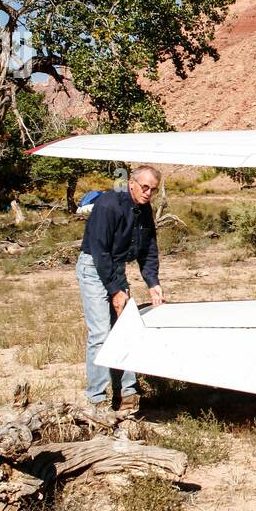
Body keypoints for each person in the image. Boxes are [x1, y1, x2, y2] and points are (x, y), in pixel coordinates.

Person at [75, 165, 165, 412]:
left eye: (153, 190)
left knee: (125, 329)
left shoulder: (144, 210)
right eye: (144, 187)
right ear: (132, 183)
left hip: (116, 268)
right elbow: (101, 251)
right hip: (94, 267)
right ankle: (97, 398)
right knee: (101, 333)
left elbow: (148, 249)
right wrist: (116, 290)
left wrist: (153, 283)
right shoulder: (108, 205)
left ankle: (127, 392)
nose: (148, 193)